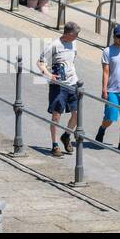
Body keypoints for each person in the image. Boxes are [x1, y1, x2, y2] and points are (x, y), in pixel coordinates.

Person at [37, 22, 81, 158]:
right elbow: (40, 62)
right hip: (58, 85)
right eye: (76, 34)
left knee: (76, 114)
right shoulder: (55, 45)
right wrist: (48, 74)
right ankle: (54, 145)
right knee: (56, 116)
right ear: (68, 34)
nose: (77, 37)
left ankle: (66, 135)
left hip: (72, 84)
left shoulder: (74, 44)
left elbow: (72, 60)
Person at [94, 24, 120, 153]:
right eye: (119, 36)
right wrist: (104, 89)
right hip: (112, 89)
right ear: (114, 37)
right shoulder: (107, 51)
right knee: (110, 117)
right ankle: (102, 129)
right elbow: (106, 72)